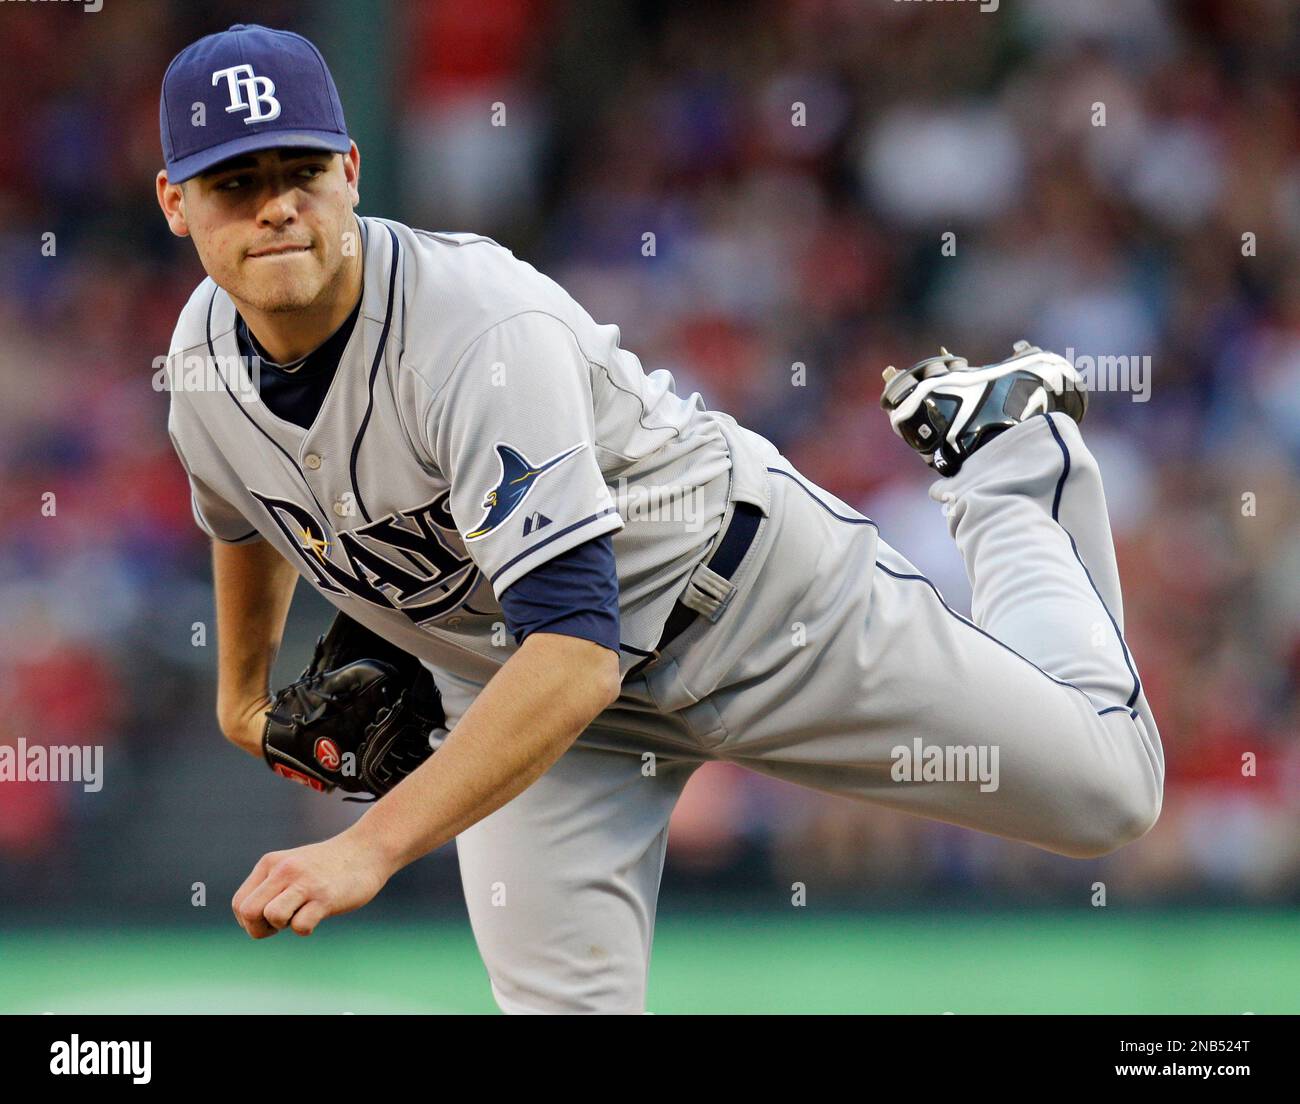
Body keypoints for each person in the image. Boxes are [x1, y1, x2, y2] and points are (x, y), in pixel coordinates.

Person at [157, 24, 1164, 1014]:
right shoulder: (201, 360)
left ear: (353, 171)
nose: (277, 206)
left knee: (1109, 795)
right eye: (236, 184)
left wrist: (368, 846)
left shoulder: (476, 328)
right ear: (175, 202)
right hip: (531, 705)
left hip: (747, 610)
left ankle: (1006, 460)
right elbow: (243, 515)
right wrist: (240, 697)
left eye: (302, 170)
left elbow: (578, 650)